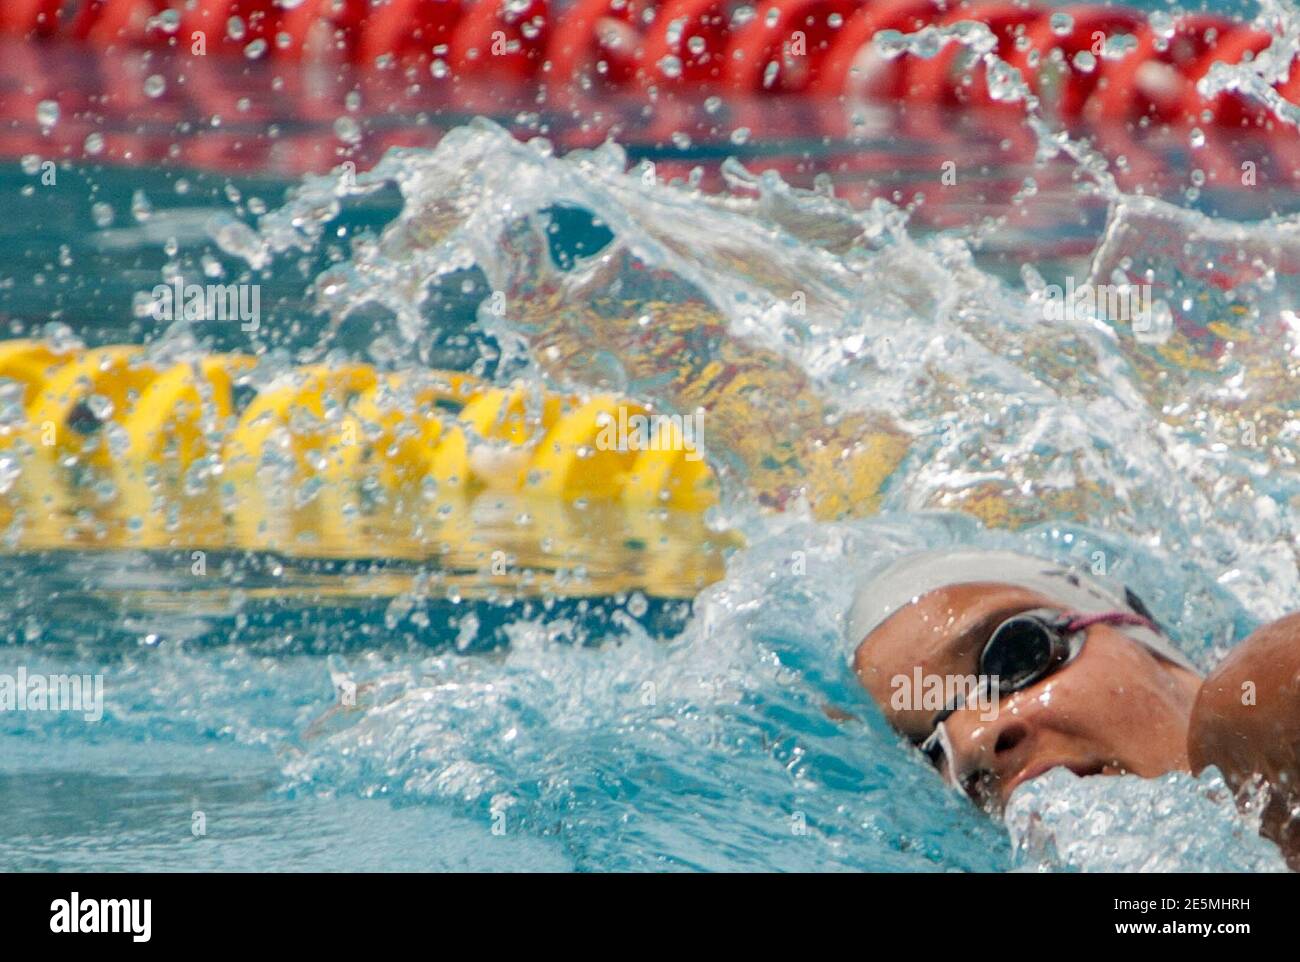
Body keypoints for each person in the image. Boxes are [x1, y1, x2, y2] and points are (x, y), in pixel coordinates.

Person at [848, 550, 1300, 867]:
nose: (972, 742)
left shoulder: (1256, 699)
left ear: (1139, 635)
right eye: (933, 751)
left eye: (1013, 656)